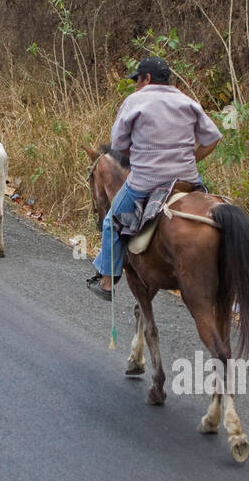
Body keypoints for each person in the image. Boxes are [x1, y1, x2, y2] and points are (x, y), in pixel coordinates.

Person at [87, 56, 223, 300]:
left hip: (146, 181)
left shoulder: (135, 100)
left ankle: (107, 281)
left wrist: (140, 155)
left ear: (147, 78)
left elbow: (119, 144)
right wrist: (191, 158)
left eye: (137, 80)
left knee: (111, 222)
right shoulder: (187, 100)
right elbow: (212, 137)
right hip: (187, 180)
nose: (137, 86)